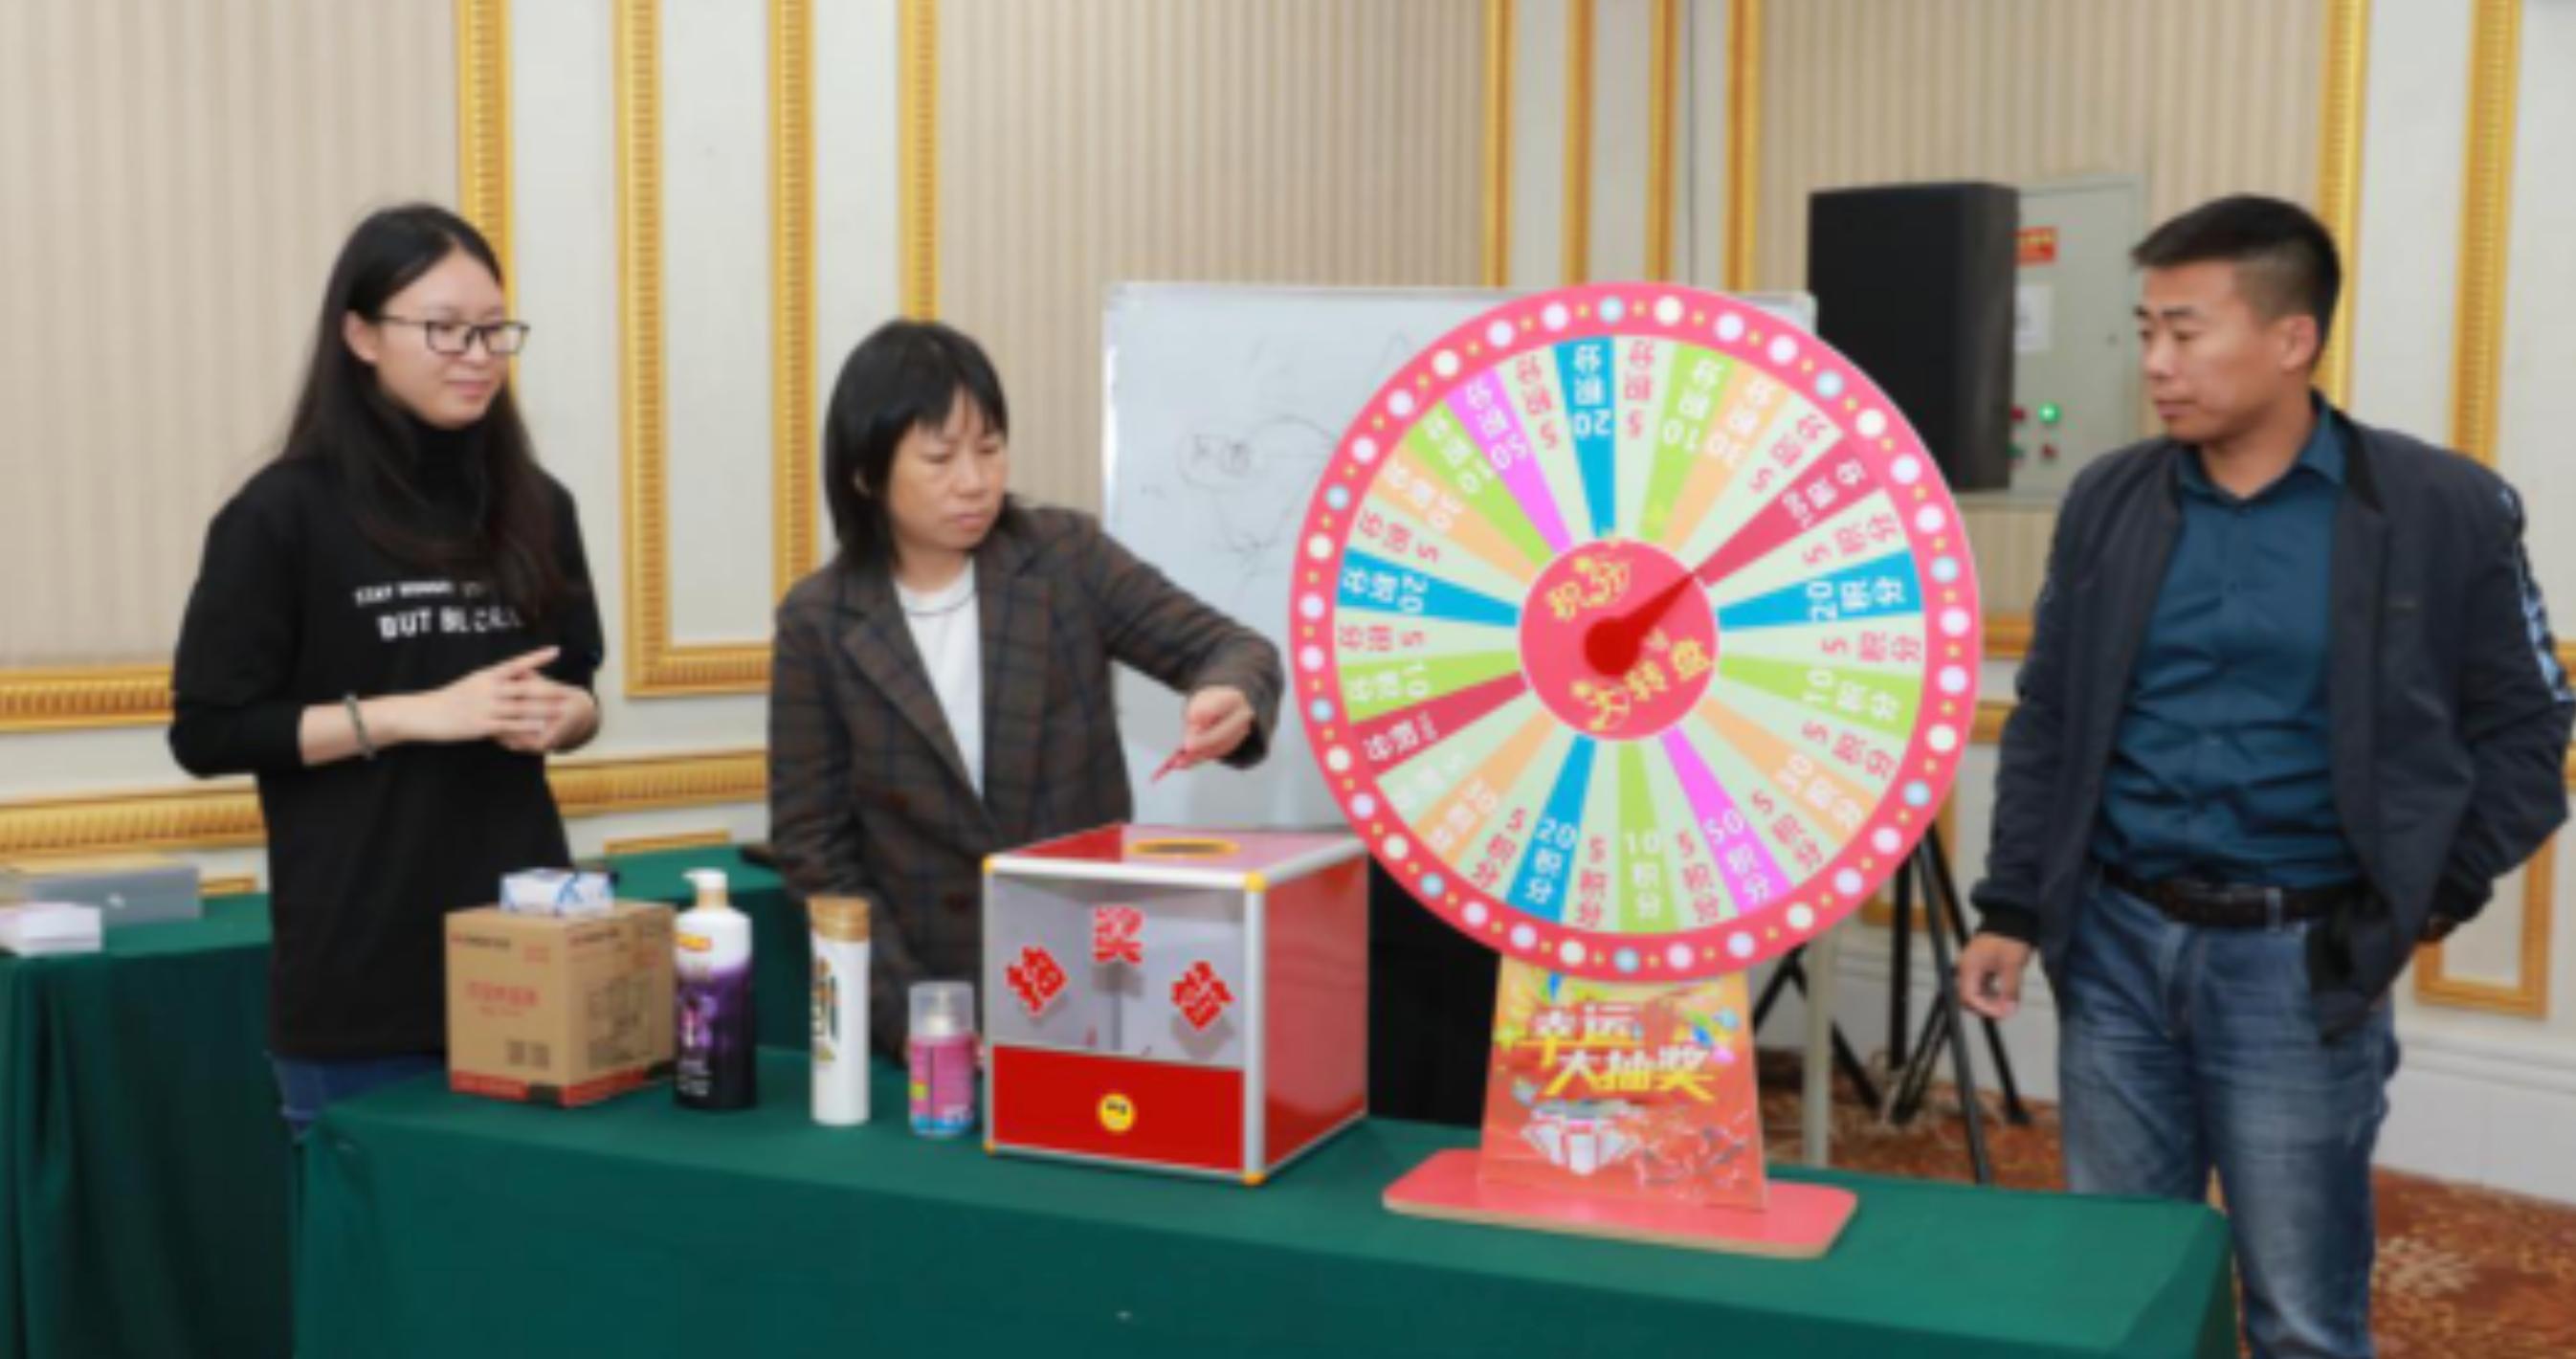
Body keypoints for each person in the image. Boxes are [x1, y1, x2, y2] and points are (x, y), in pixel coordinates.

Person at [1959, 194, 2573, 1358]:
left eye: (2186, 333)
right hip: (2114, 950)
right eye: (2146, 331)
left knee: (2299, 1312)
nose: (2155, 363)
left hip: (2300, 963)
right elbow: (2050, 716)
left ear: (2292, 339)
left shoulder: (2437, 507)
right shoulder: (2108, 500)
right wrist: (2012, 905)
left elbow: (2528, 727)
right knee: (2116, 1293)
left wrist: (2424, 891)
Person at [170, 204, 605, 1138]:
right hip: (359, 977)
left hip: (529, 957)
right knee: (371, 1233)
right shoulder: (282, 513)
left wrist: (569, 716)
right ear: (361, 336)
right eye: (445, 329)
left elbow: (577, 685)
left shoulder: (539, 504)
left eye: (493, 329)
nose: (477, 354)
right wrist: (409, 715)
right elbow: (208, 730)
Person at [768, 320, 1281, 1049]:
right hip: (929, 995)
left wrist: (1230, 694)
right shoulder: (820, 621)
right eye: (939, 458)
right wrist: (916, 1017)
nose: (975, 481)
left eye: (989, 448)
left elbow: (1235, 649)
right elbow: (814, 849)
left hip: (1094, 976)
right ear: (865, 474)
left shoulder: (1065, 559)